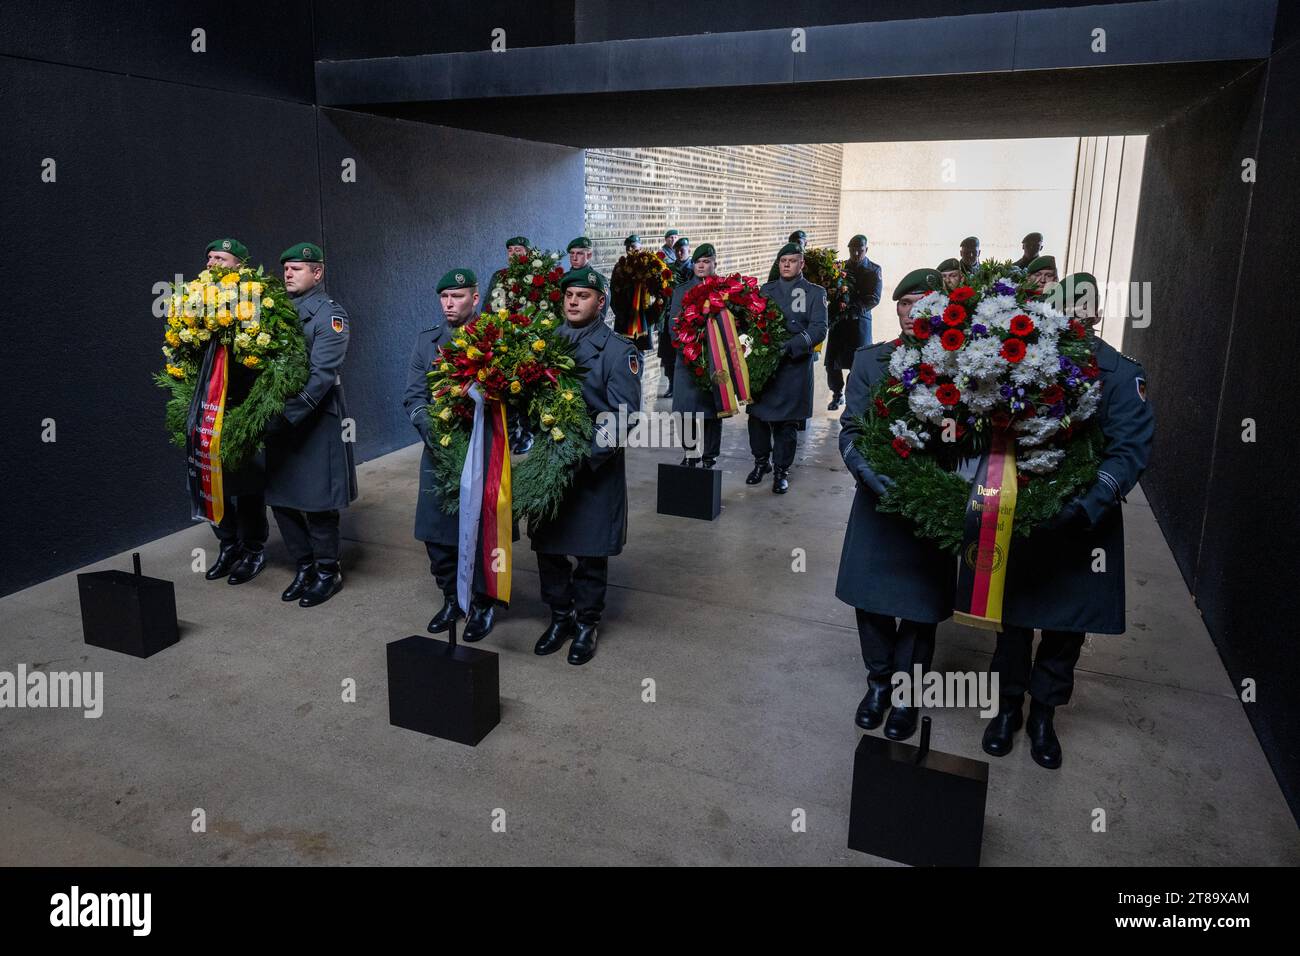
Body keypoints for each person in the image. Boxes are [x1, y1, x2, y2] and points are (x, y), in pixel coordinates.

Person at [982, 272, 1154, 769]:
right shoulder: (1027, 363)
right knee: (1012, 620)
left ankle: (1045, 715)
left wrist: (1088, 502)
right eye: (1066, 307)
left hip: (1083, 523)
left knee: (1065, 627)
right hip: (1026, 515)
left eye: (1084, 307)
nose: (1075, 315)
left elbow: (1130, 449)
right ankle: (1007, 708)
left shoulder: (1120, 374)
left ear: (1096, 313)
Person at [835, 267, 953, 741]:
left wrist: (940, 493)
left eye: (925, 302)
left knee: (921, 606)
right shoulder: (870, 362)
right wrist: (879, 482)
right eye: (905, 303)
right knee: (872, 598)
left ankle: (905, 694)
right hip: (878, 501)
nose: (912, 312)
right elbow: (853, 431)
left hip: (935, 507)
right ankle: (879, 683)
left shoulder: (962, 365)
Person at [529, 267, 643, 666]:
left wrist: (581, 457)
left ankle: (587, 623)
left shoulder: (617, 351)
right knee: (549, 548)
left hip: (593, 468)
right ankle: (560, 616)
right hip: (548, 465)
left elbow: (623, 416)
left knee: (590, 554)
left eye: (583, 295)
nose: (573, 301)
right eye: (569, 294)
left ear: (601, 303)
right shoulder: (545, 344)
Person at [402, 268, 499, 642]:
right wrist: (432, 429)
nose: (448, 303)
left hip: (483, 447)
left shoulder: (496, 340)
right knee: (436, 530)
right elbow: (413, 396)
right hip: (438, 449)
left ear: (475, 299)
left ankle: (483, 603)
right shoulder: (427, 342)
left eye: (457, 297)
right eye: (444, 297)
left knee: (482, 529)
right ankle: (451, 598)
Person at [263, 242, 358, 607]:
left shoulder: (330, 314)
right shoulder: (275, 312)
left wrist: (284, 415)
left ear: (317, 273)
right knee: (282, 498)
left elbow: (322, 373)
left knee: (317, 503)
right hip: (278, 418)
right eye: (285, 267)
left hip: (314, 419)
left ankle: (326, 572)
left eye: (297, 268)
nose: (288, 272)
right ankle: (302, 566)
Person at [197, 237, 270, 586]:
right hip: (207, 403)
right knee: (211, 477)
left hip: (242, 403)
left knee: (248, 482)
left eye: (221, 258)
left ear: (239, 264)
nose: (212, 263)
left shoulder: (256, 299)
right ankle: (228, 546)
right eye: (210, 257)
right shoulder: (193, 300)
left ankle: (254, 549)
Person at [745, 243, 828, 494]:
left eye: (792, 261)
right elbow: (753, 323)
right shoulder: (765, 290)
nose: (787, 265)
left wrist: (790, 346)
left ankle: (781, 470)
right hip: (765, 367)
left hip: (793, 366)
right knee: (757, 418)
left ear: (801, 264)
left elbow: (819, 328)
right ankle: (761, 463)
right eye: (783, 261)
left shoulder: (814, 293)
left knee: (786, 424)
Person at [667, 243, 722, 467]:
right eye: (698, 262)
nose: (701, 265)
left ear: (714, 264)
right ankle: (690, 453)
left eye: (706, 262)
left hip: (714, 360)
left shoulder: (724, 290)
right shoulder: (682, 291)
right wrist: (689, 347)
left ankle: (710, 457)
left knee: (712, 412)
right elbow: (672, 325)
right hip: (687, 360)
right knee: (684, 410)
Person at [825, 234, 881, 410]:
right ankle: (836, 393)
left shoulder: (873, 269)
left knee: (856, 363)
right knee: (832, 362)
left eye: (860, 249)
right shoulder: (839, 267)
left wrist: (854, 308)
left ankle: (851, 397)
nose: (856, 253)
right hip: (839, 322)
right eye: (853, 249)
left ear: (866, 249)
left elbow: (874, 298)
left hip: (859, 323)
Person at [486, 235, 530, 303]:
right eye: (510, 250)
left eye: (517, 250)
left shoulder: (535, 276)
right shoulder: (499, 275)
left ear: (528, 253)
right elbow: (488, 304)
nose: (512, 254)